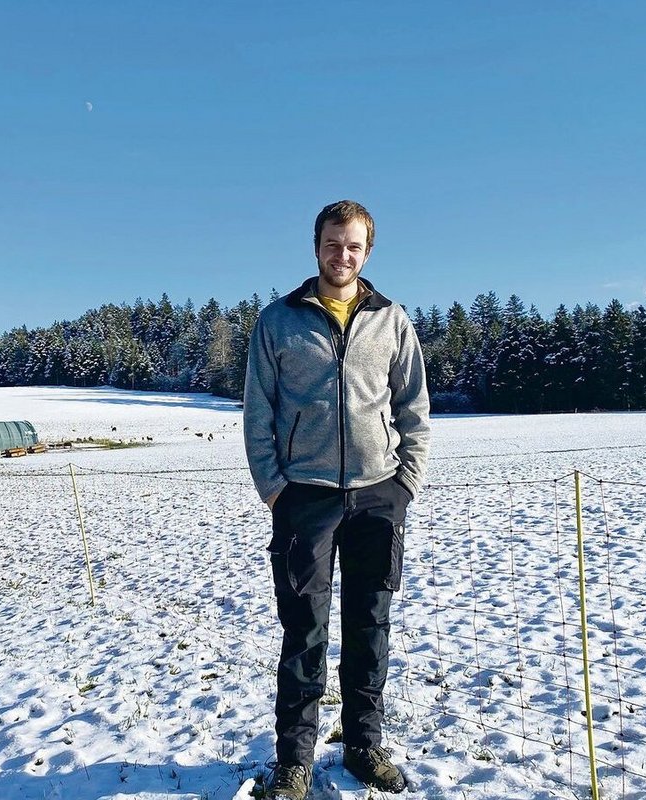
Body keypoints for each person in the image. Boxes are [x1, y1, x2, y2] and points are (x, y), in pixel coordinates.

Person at [243, 200, 430, 799]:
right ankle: (294, 760)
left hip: (378, 495)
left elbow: (414, 408)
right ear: (315, 246)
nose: (341, 255)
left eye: (353, 246)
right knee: (304, 630)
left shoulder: (392, 320)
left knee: (371, 625)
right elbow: (257, 413)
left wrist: (405, 483)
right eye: (331, 243)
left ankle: (363, 745)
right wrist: (276, 489)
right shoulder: (277, 322)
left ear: (367, 251)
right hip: (307, 498)